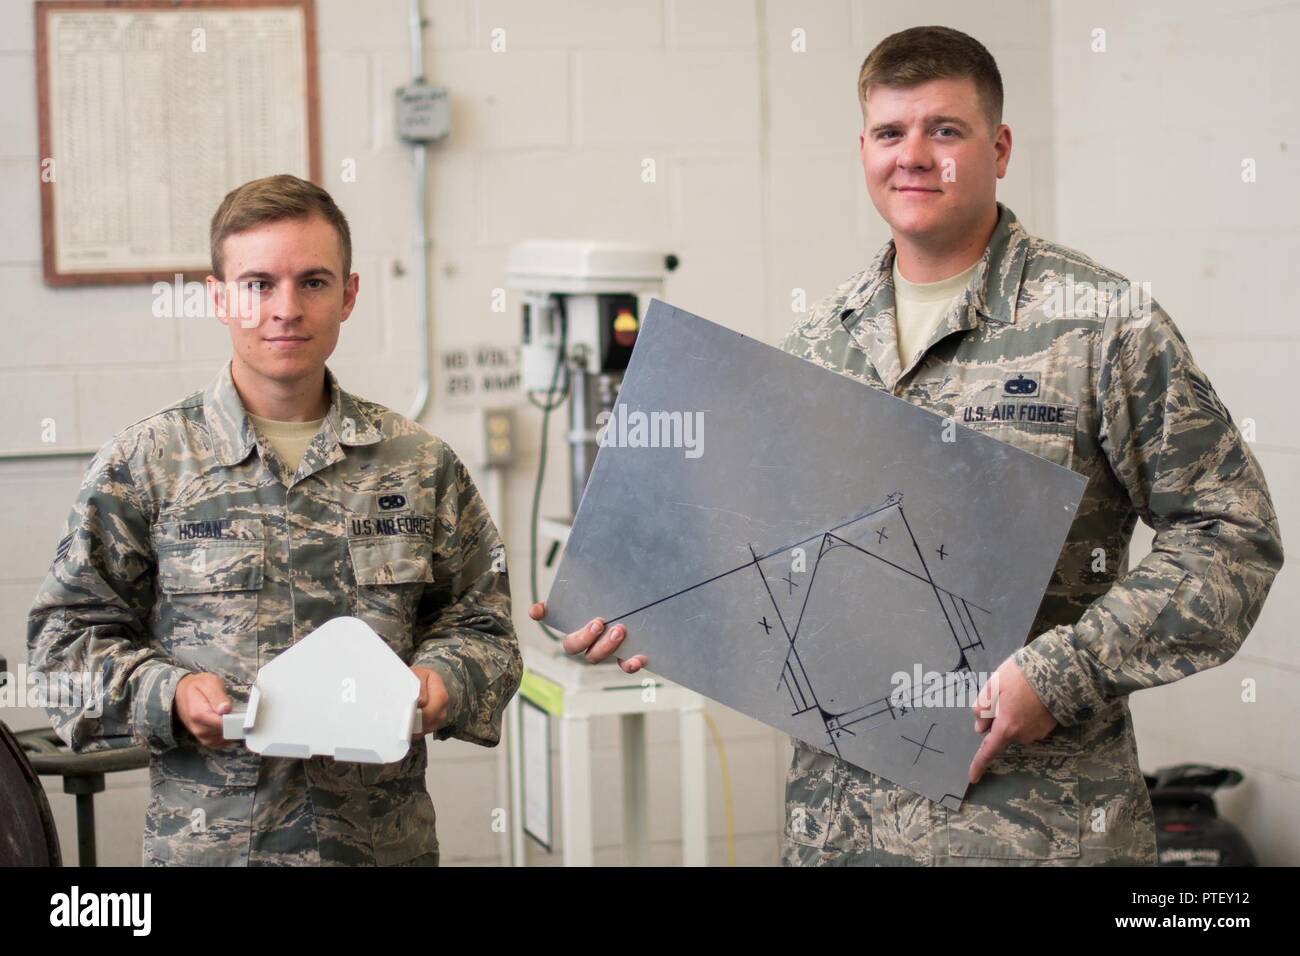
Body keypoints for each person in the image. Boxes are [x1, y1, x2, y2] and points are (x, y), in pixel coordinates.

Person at [530, 25, 1283, 865]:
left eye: (944, 130)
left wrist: (1063, 671)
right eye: (891, 133)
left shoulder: (1103, 325)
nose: (913, 156)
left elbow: (1232, 534)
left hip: (1035, 830)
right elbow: (768, 566)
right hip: (844, 832)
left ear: (998, 148)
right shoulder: (818, 347)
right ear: (864, 150)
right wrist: (645, 611)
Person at [28, 174, 521, 866]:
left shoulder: (418, 464)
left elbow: (483, 626)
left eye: (313, 282)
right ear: (220, 297)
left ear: (349, 295)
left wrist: (442, 681)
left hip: (380, 849)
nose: (285, 308)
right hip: (214, 852)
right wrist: (168, 695)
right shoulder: (146, 464)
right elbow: (61, 650)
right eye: (259, 284)